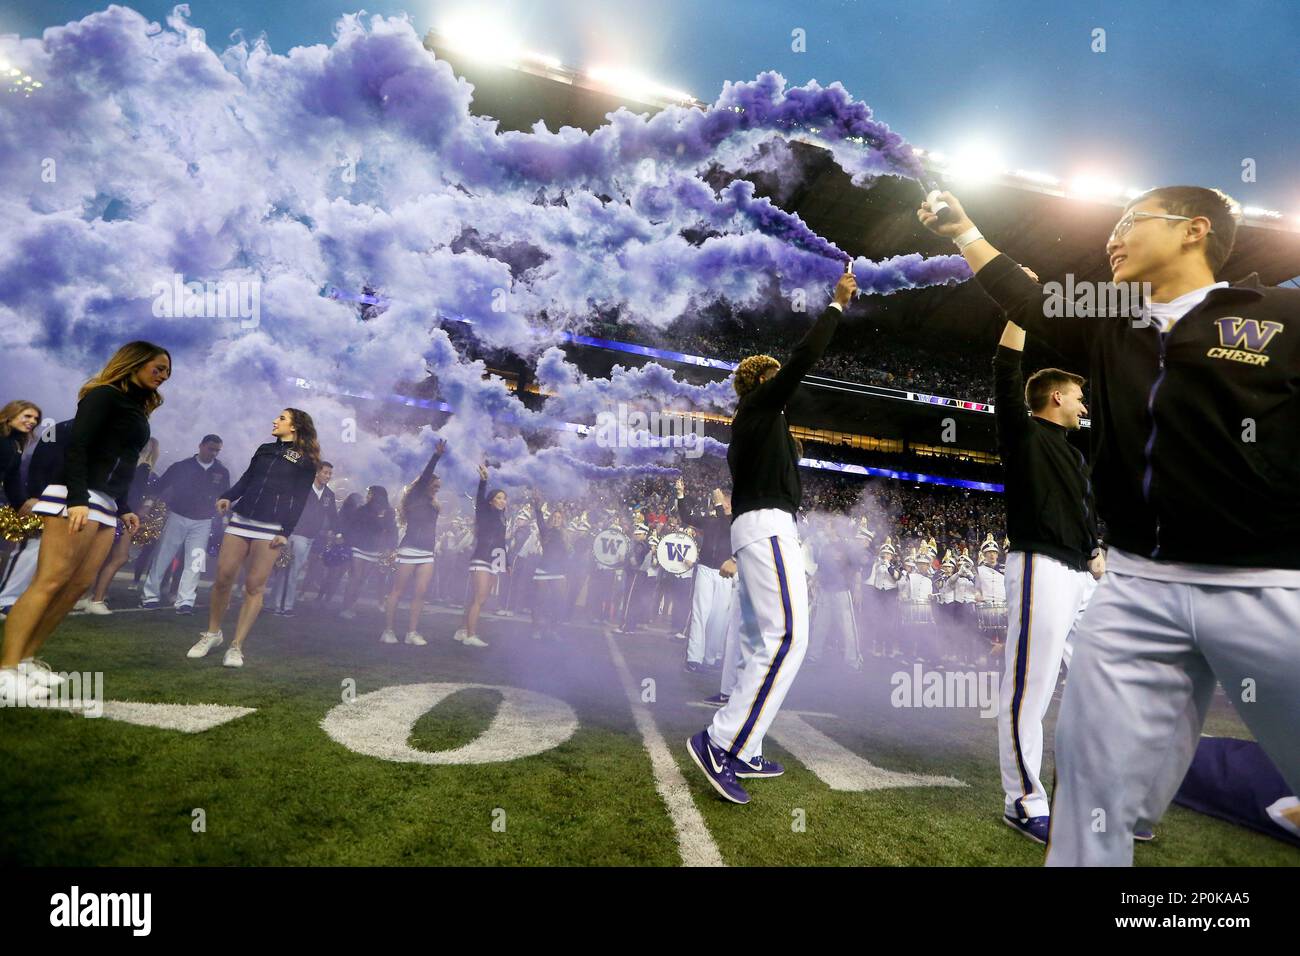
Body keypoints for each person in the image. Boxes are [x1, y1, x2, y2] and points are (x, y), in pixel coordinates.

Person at [922, 185, 1300, 866]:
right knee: (1087, 783)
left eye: (1132, 221)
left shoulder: (1280, 313)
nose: (1112, 236)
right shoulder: (1108, 318)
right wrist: (962, 228)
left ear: (1194, 230)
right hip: (1132, 587)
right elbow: (1026, 298)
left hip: (1266, 584)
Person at [685, 264, 857, 804]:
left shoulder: (761, 421)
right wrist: (836, 306)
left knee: (765, 640)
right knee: (789, 639)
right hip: (766, 528)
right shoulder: (760, 405)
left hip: (758, 528)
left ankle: (749, 745)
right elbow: (804, 361)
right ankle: (720, 741)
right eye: (774, 374)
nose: (783, 378)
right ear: (760, 382)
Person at [0, 342, 168, 702]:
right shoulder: (103, 395)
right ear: (134, 362)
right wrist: (76, 499)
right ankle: (6, 670)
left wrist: (123, 505)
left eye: (167, 371)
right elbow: (78, 447)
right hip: (76, 497)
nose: (163, 374)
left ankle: (27, 659)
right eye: (157, 366)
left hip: (106, 503)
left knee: (78, 586)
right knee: (50, 580)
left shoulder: (138, 409)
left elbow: (121, 462)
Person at [990, 319, 1103, 845]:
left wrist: (1096, 550)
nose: (1085, 406)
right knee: (1029, 690)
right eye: (1079, 397)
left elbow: (1083, 513)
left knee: (1104, 687)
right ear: (1055, 397)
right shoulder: (1023, 431)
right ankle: (1024, 801)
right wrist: (1017, 312)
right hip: (1041, 567)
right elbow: (1004, 371)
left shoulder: (1076, 454)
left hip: (1083, 574)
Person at [186, 409, 318, 668]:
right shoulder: (265, 449)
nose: (275, 421)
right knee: (223, 577)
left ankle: (236, 646)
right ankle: (212, 634)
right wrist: (228, 495)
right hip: (242, 519)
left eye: (281, 418)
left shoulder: (306, 460)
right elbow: (248, 478)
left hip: (270, 527)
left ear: (295, 426)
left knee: (254, 586)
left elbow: (300, 499)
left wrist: (285, 532)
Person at [137, 435, 229, 615]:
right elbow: (159, 486)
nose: (213, 453)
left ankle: (186, 601)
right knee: (163, 557)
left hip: (203, 521)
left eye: (217, 450)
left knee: (195, 562)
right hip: (177, 516)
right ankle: (149, 596)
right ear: (201, 446)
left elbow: (225, 496)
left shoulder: (222, 471)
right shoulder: (182, 466)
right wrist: (147, 505)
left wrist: (223, 517)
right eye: (211, 448)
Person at [82, 437, 161, 613]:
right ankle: (96, 599)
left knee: (102, 555)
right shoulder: (142, 467)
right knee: (117, 557)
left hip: (113, 508)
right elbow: (133, 492)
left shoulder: (125, 462)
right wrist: (139, 508)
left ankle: (86, 596)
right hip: (122, 512)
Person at [380, 441, 445, 644]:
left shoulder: (434, 504)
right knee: (397, 591)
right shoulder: (416, 495)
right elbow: (426, 475)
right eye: (434, 485)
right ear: (425, 484)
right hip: (409, 549)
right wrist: (436, 456)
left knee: (420, 593)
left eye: (438, 487)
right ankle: (388, 631)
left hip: (427, 552)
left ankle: (412, 633)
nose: (436, 489)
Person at [675, 478, 735, 672]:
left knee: (719, 617)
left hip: (724, 574)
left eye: (726, 500)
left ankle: (711, 657)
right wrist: (681, 495)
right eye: (723, 500)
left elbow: (728, 530)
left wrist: (718, 505)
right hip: (706, 570)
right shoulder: (711, 520)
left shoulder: (736, 522)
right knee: (700, 613)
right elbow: (687, 517)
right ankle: (694, 658)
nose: (724, 503)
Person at [271, 459, 335, 617]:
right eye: (325, 472)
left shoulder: (329, 494)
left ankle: (274, 603)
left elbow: (333, 515)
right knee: (290, 570)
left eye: (330, 474)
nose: (328, 476)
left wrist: (336, 531)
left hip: (311, 537)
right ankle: (285, 606)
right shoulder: (303, 489)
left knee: (290, 570)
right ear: (317, 473)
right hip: (296, 534)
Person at [454, 463, 507, 648]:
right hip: (481, 558)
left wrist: (504, 563)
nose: (503, 501)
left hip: (494, 561)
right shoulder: (485, 512)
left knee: (478, 597)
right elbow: (479, 499)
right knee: (480, 598)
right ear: (491, 501)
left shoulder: (502, 518)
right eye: (499, 498)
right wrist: (483, 481)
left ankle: (462, 630)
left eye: (504, 498)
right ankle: (471, 635)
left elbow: (501, 542)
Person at [339, 485, 397, 620]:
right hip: (359, 547)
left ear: (378, 495)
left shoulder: (389, 512)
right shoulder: (362, 510)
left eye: (370, 493)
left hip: (374, 550)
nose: (367, 496)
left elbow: (391, 529)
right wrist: (349, 540)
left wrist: (390, 547)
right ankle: (345, 608)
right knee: (355, 578)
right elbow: (352, 526)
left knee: (362, 580)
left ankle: (351, 606)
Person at [527, 490, 570, 641]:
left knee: (559, 601)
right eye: (555, 517)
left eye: (560, 517)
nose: (557, 519)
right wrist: (537, 504)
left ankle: (553, 629)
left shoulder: (566, 535)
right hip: (544, 569)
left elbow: (567, 555)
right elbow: (539, 519)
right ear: (551, 519)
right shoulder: (546, 531)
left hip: (559, 571)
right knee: (540, 600)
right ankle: (536, 629)